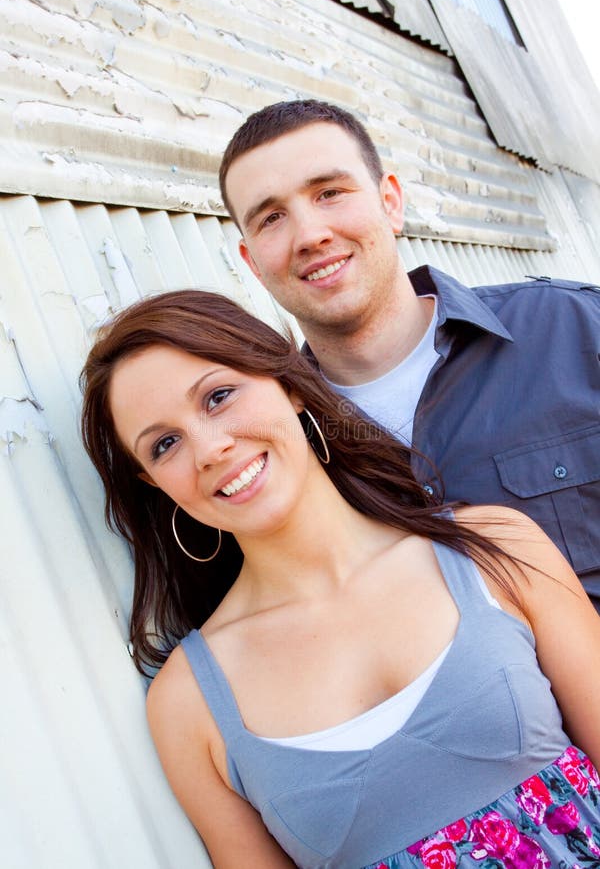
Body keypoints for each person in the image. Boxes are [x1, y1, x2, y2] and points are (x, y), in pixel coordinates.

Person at [80, 289, 600, 868]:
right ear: (154, 483)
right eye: (165, 444)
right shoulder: (189, 702)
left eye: (218, 397)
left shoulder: (498, 547)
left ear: (290, 384)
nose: (209, 449)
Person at [218, 99, 600, 610]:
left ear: (390, 203)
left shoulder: (574, 326)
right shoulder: (274, 451)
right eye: (271, 218)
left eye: (330, 193)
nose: (309, 235)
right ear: (253, 264)